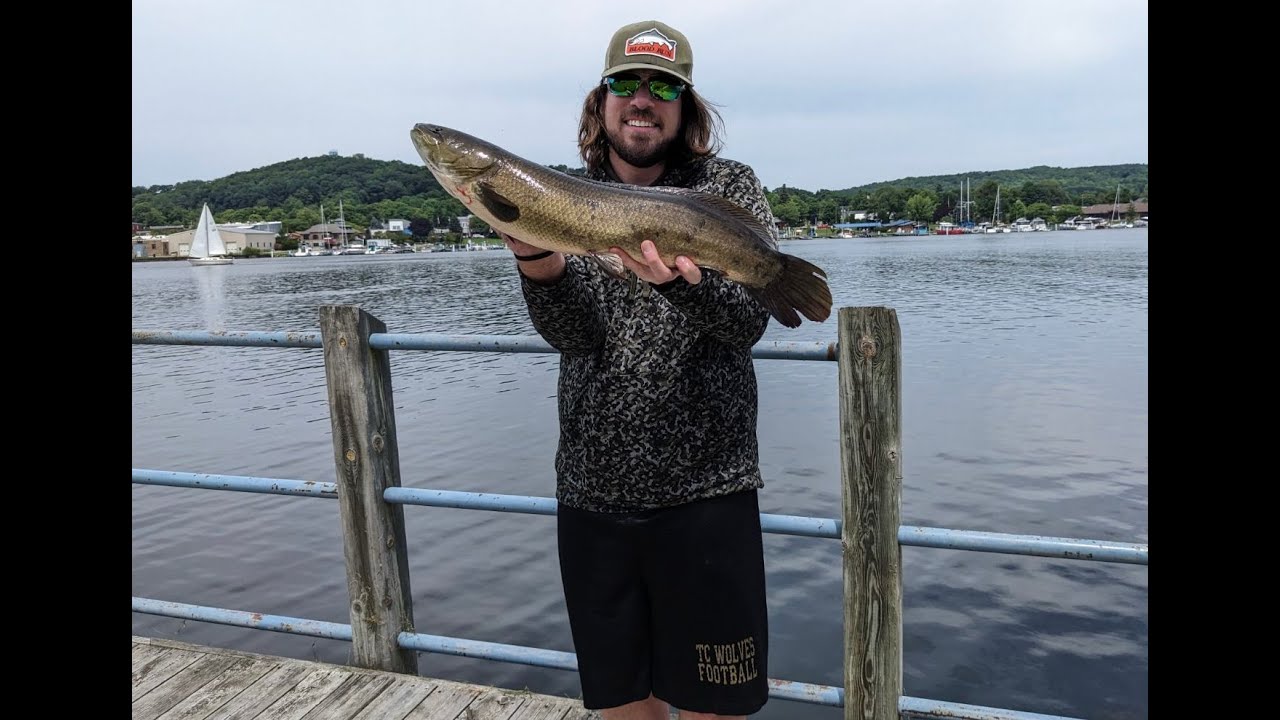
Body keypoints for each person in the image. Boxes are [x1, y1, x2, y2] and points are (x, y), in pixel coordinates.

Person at [500, 20, 775, 720]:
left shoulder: (728, 187)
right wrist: (535, 260)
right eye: (625, 83)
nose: (643, 100)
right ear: (601, 103)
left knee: (717, 706)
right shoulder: (562, 198)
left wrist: (681, 285)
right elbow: (572, 337)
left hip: (709, 491)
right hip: (593, 493)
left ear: (687, 107)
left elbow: (748, 323)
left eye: (664, 87)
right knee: (623, 704)